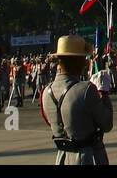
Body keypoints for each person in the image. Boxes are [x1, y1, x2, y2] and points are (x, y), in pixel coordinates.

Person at [39, 35, 113, 165]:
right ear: (78, 61)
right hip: (88, 158)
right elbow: (107, 124)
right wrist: (104, 93)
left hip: (62, 158)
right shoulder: (86, 90)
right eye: (84, 58)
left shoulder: (46, 92)